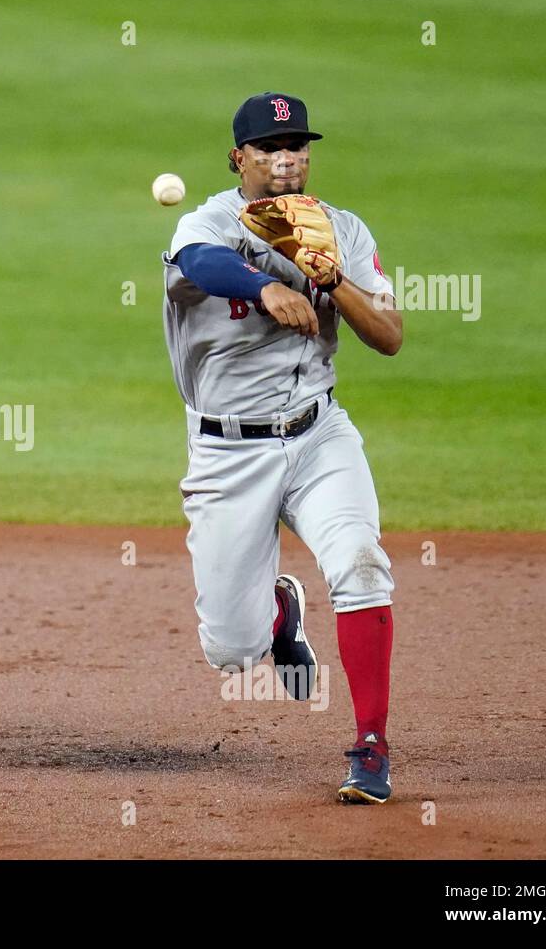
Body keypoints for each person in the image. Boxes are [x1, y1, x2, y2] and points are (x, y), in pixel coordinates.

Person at [162, 92, 402, 802]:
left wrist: (332, 277)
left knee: (363, 568)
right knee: (231, 650)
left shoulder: (344, 231)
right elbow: (202, 264)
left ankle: (370, 746)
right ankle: (276, 614)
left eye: (297, 146)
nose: (286, 159)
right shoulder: (205, 223)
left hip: (319, 433)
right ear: (239, 158)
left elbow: (388, 336)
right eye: (269, 148)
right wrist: (266, 285)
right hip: (228, 453)